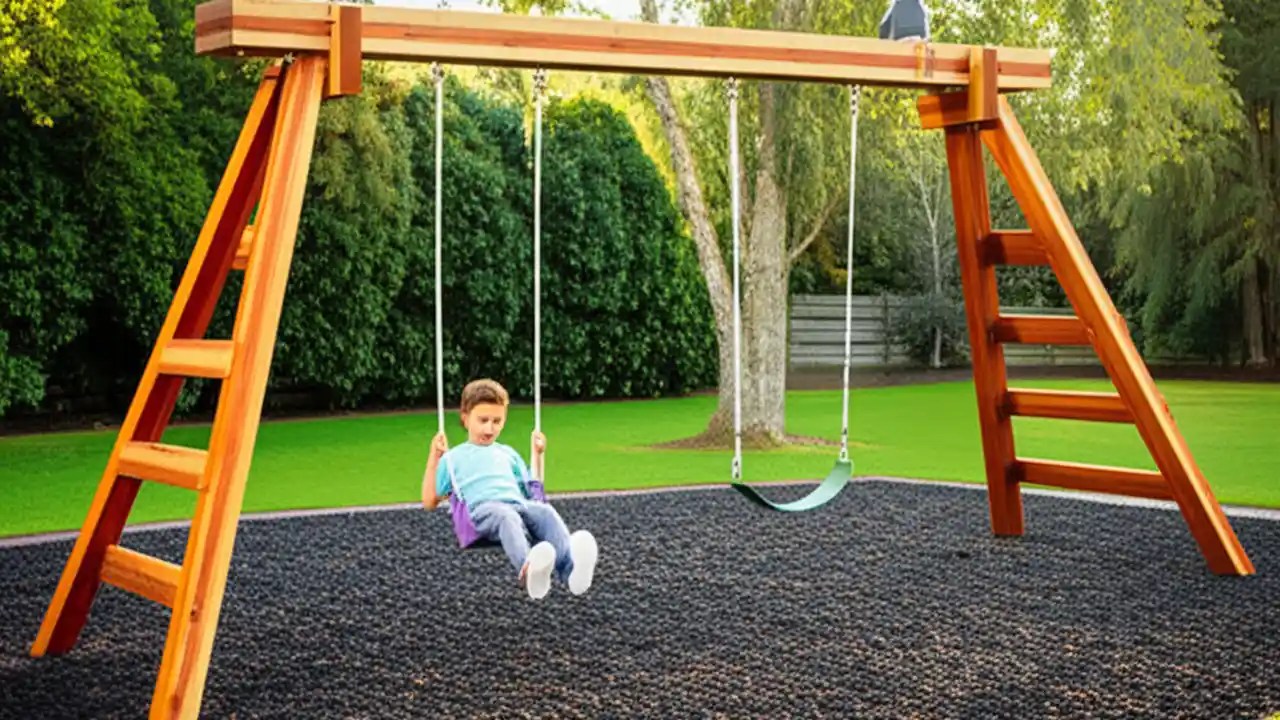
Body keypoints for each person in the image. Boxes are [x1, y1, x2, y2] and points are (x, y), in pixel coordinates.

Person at [422, 378, 598, 600]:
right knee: (506, 516)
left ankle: (571, 572)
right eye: (483, 420)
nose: (489, 427)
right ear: (465, 418)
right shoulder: (453, 457)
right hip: (482, 512)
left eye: (497, 421)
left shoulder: (508, 453)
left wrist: (538, 455)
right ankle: (529, 571)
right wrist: (434, 456)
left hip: (517, 505)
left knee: (545, 512)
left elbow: (533, 490)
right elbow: (429, 500)